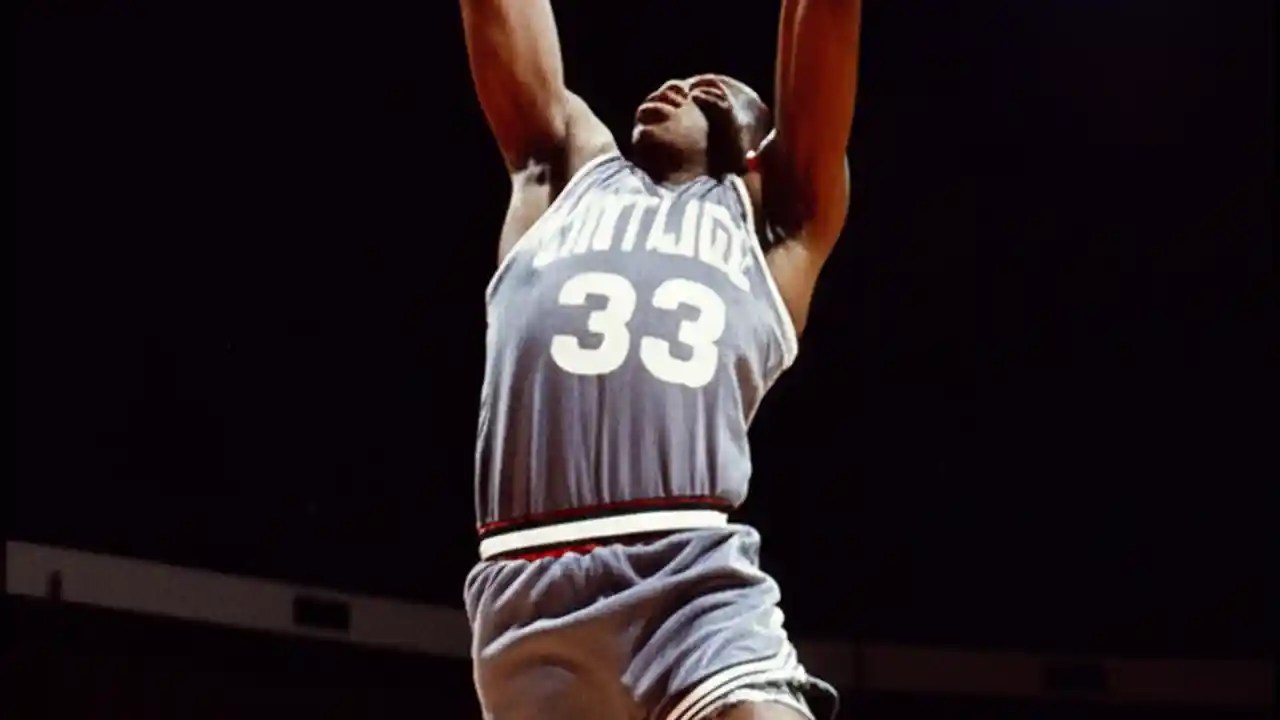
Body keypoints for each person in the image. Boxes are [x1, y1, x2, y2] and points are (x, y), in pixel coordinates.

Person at [459, 1, 861, 718]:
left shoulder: (771, 234)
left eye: (708, 95)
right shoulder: (563, 176)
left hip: (690, 584)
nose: (676, 86)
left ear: (755, 150)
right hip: (527, 594)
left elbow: (824, 26)